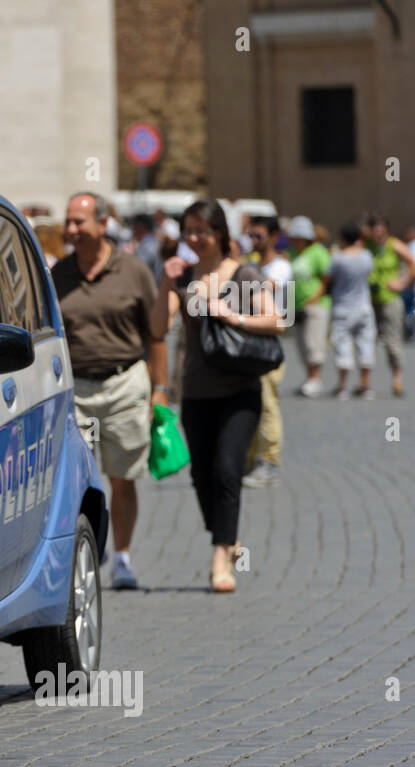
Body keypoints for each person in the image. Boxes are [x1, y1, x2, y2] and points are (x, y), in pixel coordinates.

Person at [152, 199, 282, 593]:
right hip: (195, 391)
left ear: (220, 233)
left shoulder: (244, 273)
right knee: (201, 475)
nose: (194, 238)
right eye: (188, 230)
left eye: (202, 230)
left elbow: (276, 319)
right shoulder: (184, 276)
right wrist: (164, 281)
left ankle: (220, 556)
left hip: (239, 390)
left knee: (227, 469)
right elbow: (158, 328)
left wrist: (231, 315)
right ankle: (226, 533)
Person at [52, 192, 162, 590]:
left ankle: (122, 558)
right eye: (69, 222)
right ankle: (80, 555)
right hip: (74, 389)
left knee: (122, 477)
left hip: (124, 382)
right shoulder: (59, 275)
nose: (71, 230)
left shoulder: (133, 271)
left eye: (79, 222)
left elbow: (156, 333)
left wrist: (161, 389)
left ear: (102, 224)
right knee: (77, 477)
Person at [241, 216, 290, 489]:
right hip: (248, 341)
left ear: (273, 236)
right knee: (248, 402)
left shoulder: (279, 266)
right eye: (251, 236)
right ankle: (247, 459)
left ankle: (269, 461)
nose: (254, 241)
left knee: (267, 404)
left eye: (258, 236)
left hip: (267, 343)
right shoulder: (251, 265)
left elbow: (261, 289)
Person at [311, 222, 376, 399]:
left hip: (343, 308)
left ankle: (342, 386)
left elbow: (327, 281)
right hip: (364, 306)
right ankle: (365, 385)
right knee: (366, 346)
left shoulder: (339, 258)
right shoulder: (367, 256)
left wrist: (313, 299)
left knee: (343, 347)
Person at [365, 214, 415, 397]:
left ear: (386, 228)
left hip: (390, 299)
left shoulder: (393, 244)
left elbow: (413, 264)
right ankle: (365, 382)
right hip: (370, 299)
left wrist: (401, 283)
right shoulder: (367, 245)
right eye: (374, 227)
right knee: (366, 340)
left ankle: (397, 379)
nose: (377, 231)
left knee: (392, 341)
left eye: (380, 227)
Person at [286, 216, 331, 397]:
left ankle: (315, 378)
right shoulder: (292, 253)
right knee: (301, 344)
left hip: (316, 305)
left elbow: (326, 279)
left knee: (313, 343)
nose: (295, 241)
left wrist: (313, 298)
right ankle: (309, 377)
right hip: (296, 305)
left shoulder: (318, 252)